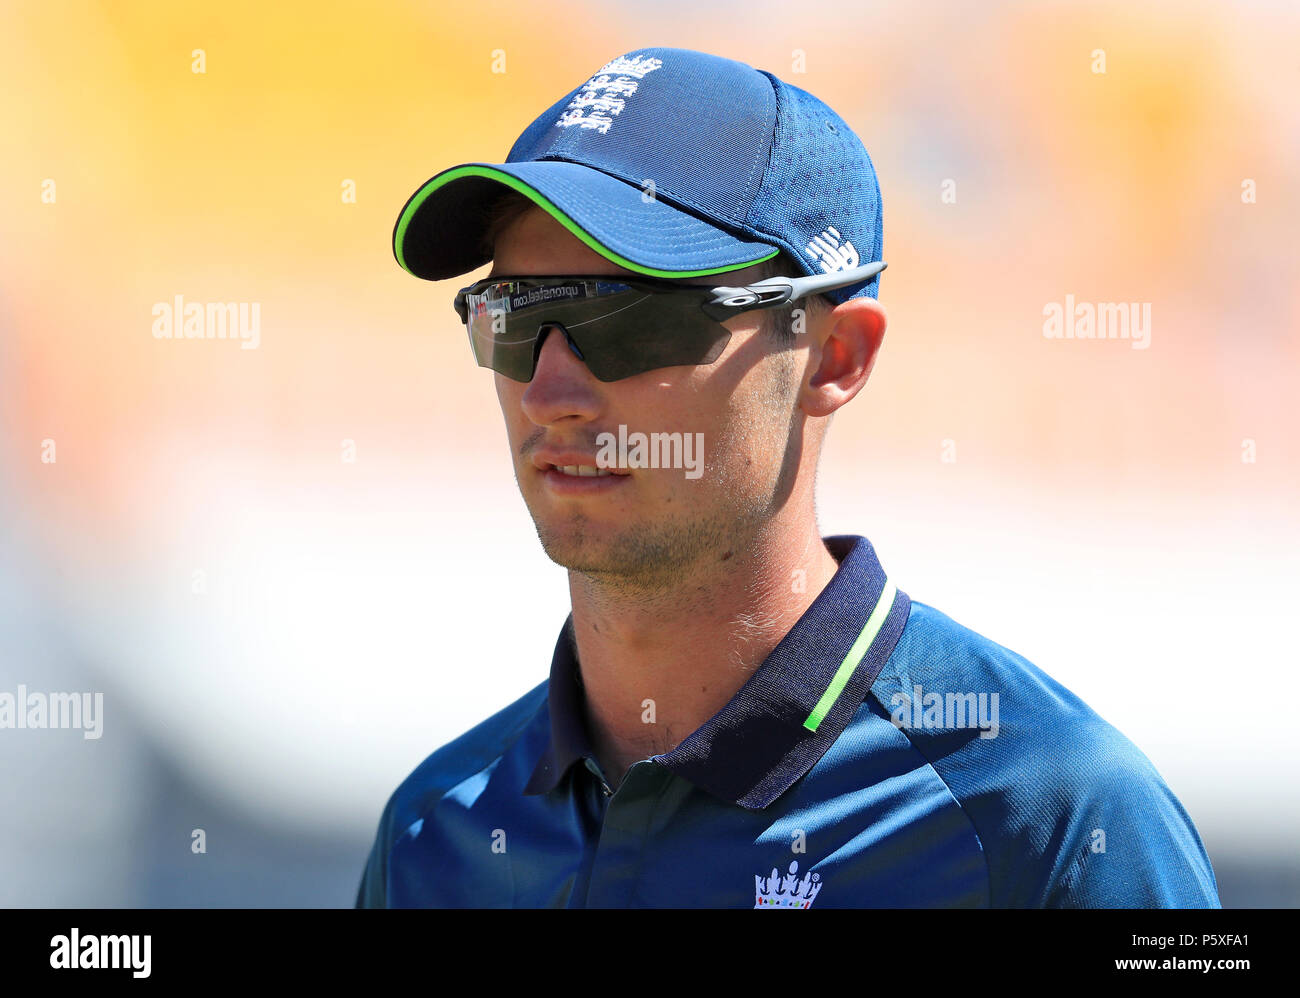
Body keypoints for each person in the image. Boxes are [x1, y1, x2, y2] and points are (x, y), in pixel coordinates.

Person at [355, 46, 1220, 908]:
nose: (550, 393)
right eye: (512, 318)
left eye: (630, 320)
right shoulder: (433, 831)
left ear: (833, 357)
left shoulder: (1053, 819)